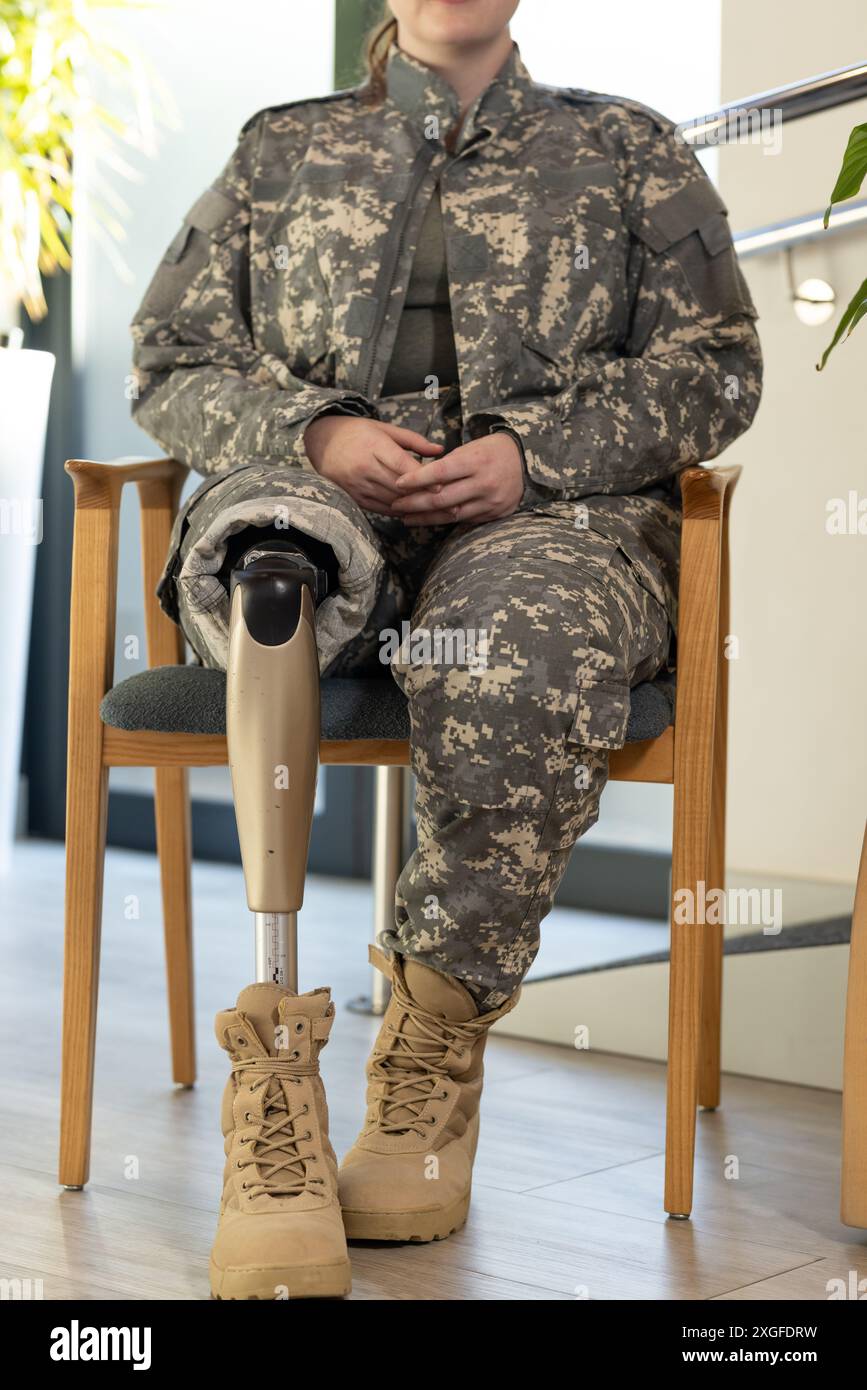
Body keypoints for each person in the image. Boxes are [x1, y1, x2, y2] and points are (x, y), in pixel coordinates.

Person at [130, 0, 761, 1299]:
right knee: (270, 579)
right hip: (318, 493)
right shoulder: (279, 147)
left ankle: (426, 1060)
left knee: (519, 646)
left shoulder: (629, 150)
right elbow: (172, 354)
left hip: (549, 514)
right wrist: (309, 432)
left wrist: (539, 453)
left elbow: (721, 361)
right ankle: (278, 1096)